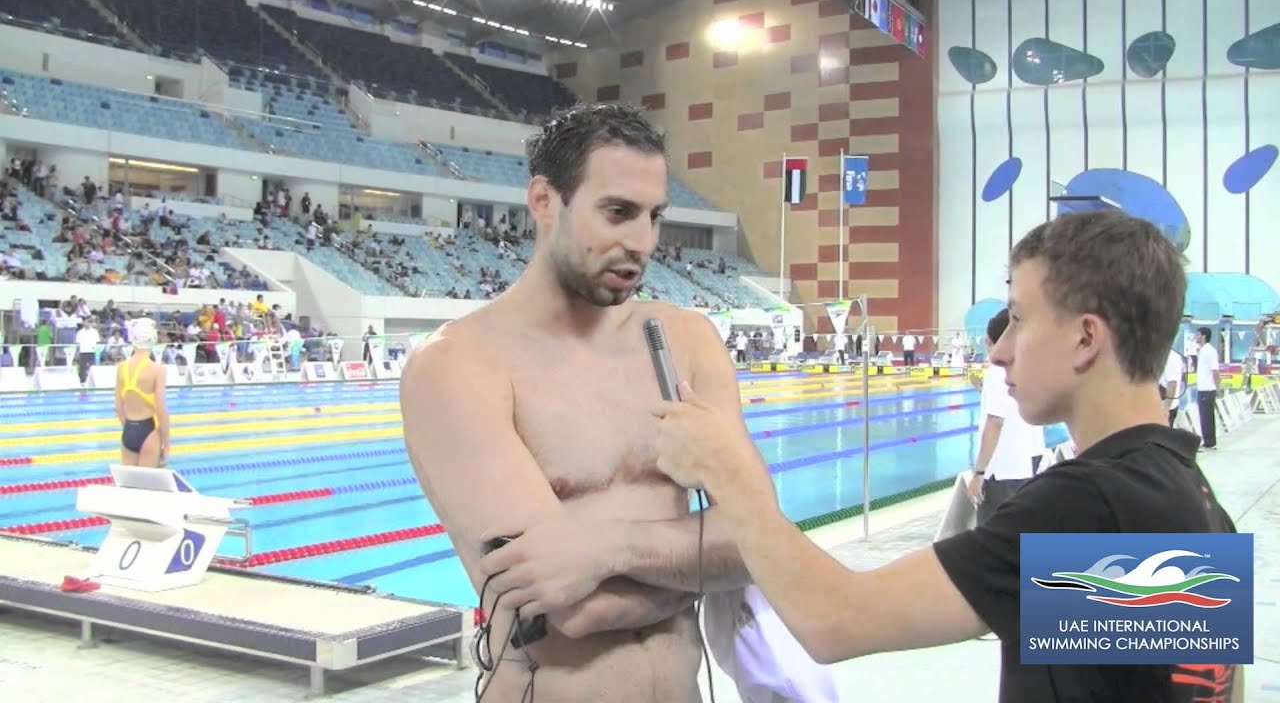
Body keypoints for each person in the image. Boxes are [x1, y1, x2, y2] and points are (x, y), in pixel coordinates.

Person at [636, 211, 1245, 702]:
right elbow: (1214, 687)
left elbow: (834, 620)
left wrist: (726, 470)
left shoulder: (1084, 508)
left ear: (1086, 338)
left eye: (1020, 321)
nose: (999, 352)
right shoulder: (1191, 493)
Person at [399, 104, 762, 702]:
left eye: (654, 217)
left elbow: (760, 542)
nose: (641, 242)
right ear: (545, 201)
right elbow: (574, 610)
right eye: (617, 212)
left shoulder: (685, 342)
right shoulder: (459, 366)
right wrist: (714, 551)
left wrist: (603, 547)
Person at [966, 308, 1045, 524]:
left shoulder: (997, 371)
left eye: (987, 341)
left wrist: (979, 473)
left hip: (1003, 469)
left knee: (995, 539)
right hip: (1029, 457)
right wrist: (983, 390)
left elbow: (995, 423)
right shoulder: (1029, 365)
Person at [115, 317, 169, 467]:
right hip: (149, 431)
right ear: (154, 338)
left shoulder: (122, 367)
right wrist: (166, 442)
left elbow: (118, 407)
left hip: (128, 430)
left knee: (129, 487)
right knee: (148, 486)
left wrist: (129, 429)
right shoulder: (157, 370)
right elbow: (161, 409)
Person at [1194, 326, 1220, 450]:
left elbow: (1215, 371)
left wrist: (1217, 388)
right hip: (1202, 388)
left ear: (1203, 336)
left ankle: (1209, 442)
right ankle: (1209, 441)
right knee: (1204, 416)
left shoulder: (1210, 351)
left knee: (1207, 416)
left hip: (1207, 389)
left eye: (1197, 334)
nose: (1195, 336)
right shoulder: (1202, 350)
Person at [1159, 346, 1186, 427]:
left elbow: (1172, 384)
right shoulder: (1166, 356)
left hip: (1166, 407)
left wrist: (1165, 408)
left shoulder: (1170, 358)